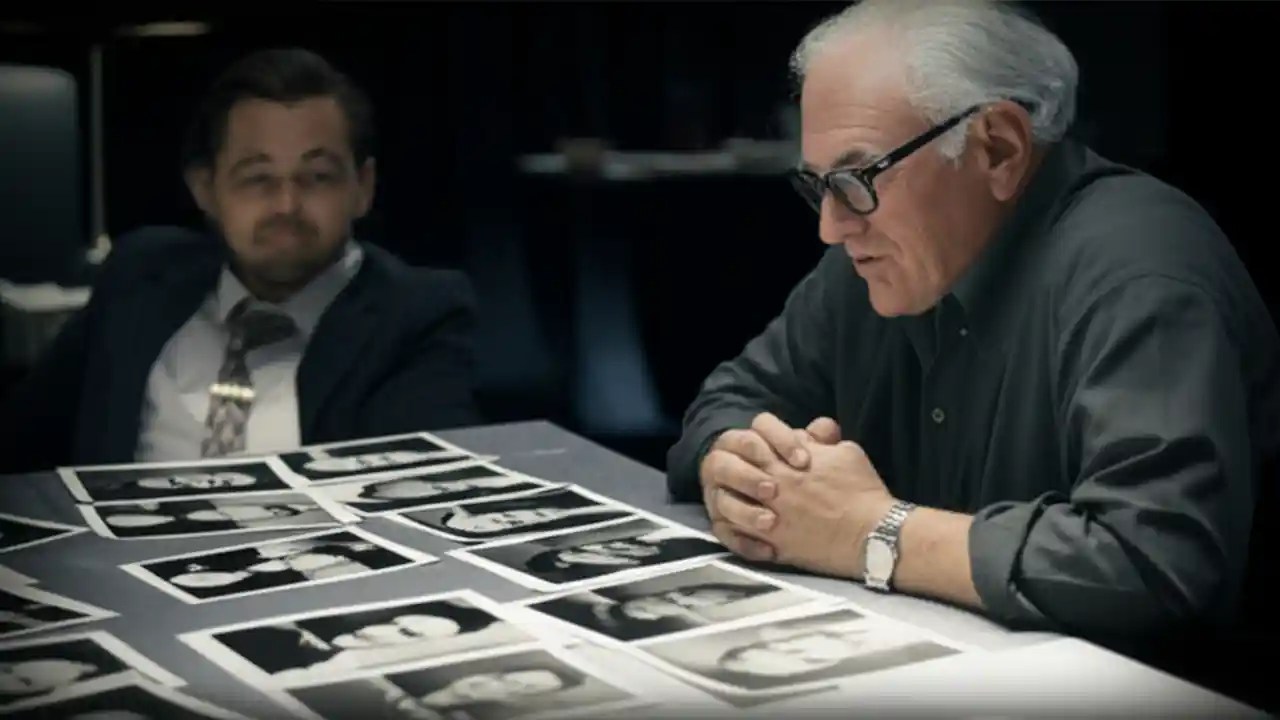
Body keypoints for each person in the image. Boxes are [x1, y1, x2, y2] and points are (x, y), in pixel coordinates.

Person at [665, 0, 1280, 710]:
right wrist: (743, 472)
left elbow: (1154, 564)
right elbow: (725, 404)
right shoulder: (875, 256)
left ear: (998, 149)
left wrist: (869, 530)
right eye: (817, 186)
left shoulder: (1142, 270)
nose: (832, 227)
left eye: (858, 177)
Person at [0, 47, 481, 473]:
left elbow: (422, 495)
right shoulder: (140, 274)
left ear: (363, 188)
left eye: (317, 177)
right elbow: (22, 442)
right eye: (257, 178)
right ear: (206, 189)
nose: (287, 205)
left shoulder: (418, 313)